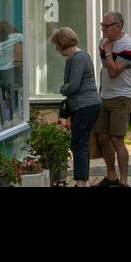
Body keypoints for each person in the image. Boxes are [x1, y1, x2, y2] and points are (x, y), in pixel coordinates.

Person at [53, 26, 101, 187]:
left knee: (78, 144)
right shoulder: (76, 58)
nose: (57, 49)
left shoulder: (78, 58)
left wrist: (62, 89)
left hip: (85, 106)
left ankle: (81, 183)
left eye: (57, 45)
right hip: (86, 105)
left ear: (63, 43)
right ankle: (82, 182)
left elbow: (72, 86)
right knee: (82, 143)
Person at [96, 11, 131, 186]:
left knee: (117, 139)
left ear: (118, 27)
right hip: (105, 95)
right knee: (102, 138)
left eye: (106, 26)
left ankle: (124, 180)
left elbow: (113, 72)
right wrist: (99, 92)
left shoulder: (129, 45)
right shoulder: (103, 42)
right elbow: (104, 70)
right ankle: (111, 175)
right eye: (102, 25)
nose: (102, 30)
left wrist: (108, 53)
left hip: (122, 96)